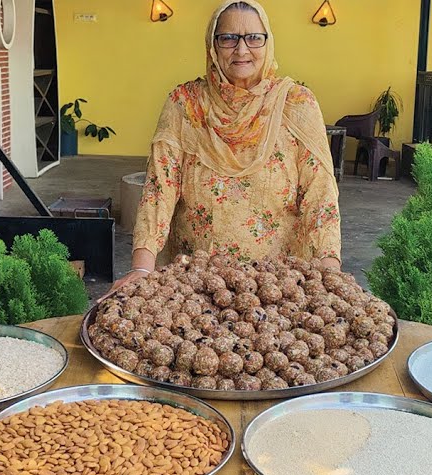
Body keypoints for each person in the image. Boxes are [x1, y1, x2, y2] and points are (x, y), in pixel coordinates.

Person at [115, 0, 341, 290]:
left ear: (268, 42)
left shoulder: (296, 103)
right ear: (213, 45)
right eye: (228, 38)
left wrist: (330, 275)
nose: (242, 50)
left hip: (277, 286)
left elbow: (320, 194)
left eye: (254, 37)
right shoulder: (185, 103)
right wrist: (142, 268)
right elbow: (160, 188)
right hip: (194, 282)